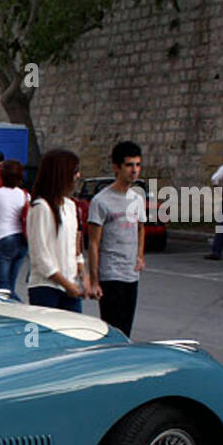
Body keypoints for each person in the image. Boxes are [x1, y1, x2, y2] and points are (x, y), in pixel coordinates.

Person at [85, 141, 147, 337]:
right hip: (111, 274)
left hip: (131, 274)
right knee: (113, 331)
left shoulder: (137, 198)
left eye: (137, 165)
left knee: (127, 330)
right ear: (116, 167)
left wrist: (140, 255)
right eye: (129, 165)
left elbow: (140, 228)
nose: (134, 170)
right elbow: (94, 243)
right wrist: (94, 280)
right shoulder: (101, 201)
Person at [25, 149, 85, 312]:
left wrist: (83, 275)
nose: (78, 176)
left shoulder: (70, 206)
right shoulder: (41, 208)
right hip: (47, 288)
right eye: (74, 171)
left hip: (69, 286)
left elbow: (75, 247)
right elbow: (40, 257)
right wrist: (67, 285)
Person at [0, 158, 29, 301]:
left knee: (2, 288)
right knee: (10, 285)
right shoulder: (25, 195)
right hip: (21, 239)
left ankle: (21, 310)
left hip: (3, 238)